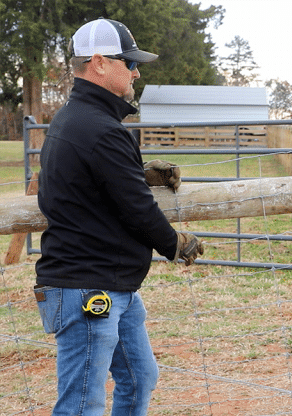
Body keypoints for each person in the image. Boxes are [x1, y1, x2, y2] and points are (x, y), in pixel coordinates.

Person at [33, 18, 203, 416]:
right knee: (81, 403)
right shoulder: (98, 127)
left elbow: (94, 179)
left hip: (109, 283)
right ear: (99, 63)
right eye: (129, 62)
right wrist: (175, 244)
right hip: (89, 288)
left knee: (140, 377)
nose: (136, 71)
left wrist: (135, 171)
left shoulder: (79, 120)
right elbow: (137, 207)